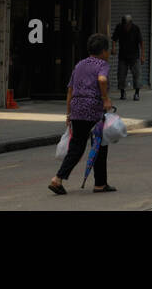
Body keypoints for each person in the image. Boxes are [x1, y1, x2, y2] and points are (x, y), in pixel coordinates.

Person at [49, 33, 115, 195]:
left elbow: (70, 91)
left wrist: (68, 114)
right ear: (104, 51)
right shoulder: (102, 64)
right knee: (100, 144)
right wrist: (106, 99)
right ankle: (100, 184)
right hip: (93, 109)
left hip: (77, 108)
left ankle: (58, 179)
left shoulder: (79, 65)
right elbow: (102, 80)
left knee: (76, 146)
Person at [110, 14, 144, 101]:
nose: (125, 26)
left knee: (137, 75)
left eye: (127, 25)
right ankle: (122, 92)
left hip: (134, 56)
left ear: (130, 24)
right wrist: (113, 48)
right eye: (124, 25)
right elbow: (114, 39)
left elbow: (141, 43)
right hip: (123, 56)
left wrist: (142, 56)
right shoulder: (119, 27)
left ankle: (136, 93)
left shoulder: (136, 28)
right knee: (121, 75)